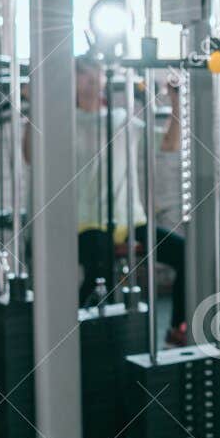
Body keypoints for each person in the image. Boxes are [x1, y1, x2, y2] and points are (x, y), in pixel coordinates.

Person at [73, 56, 188, 346]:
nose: (91, 83)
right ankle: (81, 343)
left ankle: (177, 329)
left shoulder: (122, 118)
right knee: (99, 272)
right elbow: (29, 155)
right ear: (72, 81)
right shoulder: (63, 122)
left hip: (131, 221)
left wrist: (176, 103)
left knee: (184, 254)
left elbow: (170, 144)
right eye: (84, 77)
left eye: (95, 76)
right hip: (85, 224)